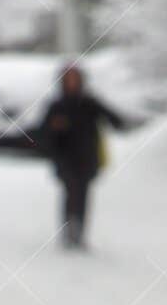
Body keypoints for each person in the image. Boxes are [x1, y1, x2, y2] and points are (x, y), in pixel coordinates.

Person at [33, 64, 126, 249]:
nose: (72, 83)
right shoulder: (56, 106)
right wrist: (54, 128)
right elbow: (41, 134)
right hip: (64, 159)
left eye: (75, 79)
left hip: (87, 159)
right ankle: (68, 233)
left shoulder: (90, 103)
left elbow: (117, 121)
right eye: (68, 79)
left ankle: (80, 234)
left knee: (83, 196)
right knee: (69, 194)